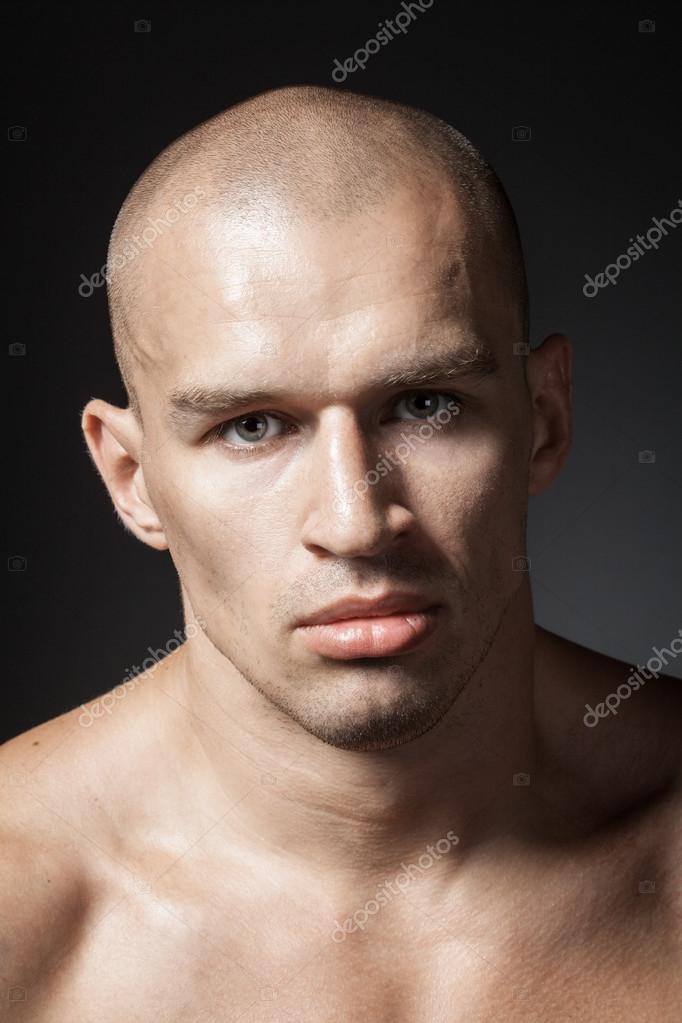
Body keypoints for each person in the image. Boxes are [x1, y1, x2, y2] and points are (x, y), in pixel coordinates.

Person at [1, 85, 680, 1022]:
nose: (356, 522)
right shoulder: (21, 911)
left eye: (426, 404)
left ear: (545, 421)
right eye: (252, 426)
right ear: (132, 477)